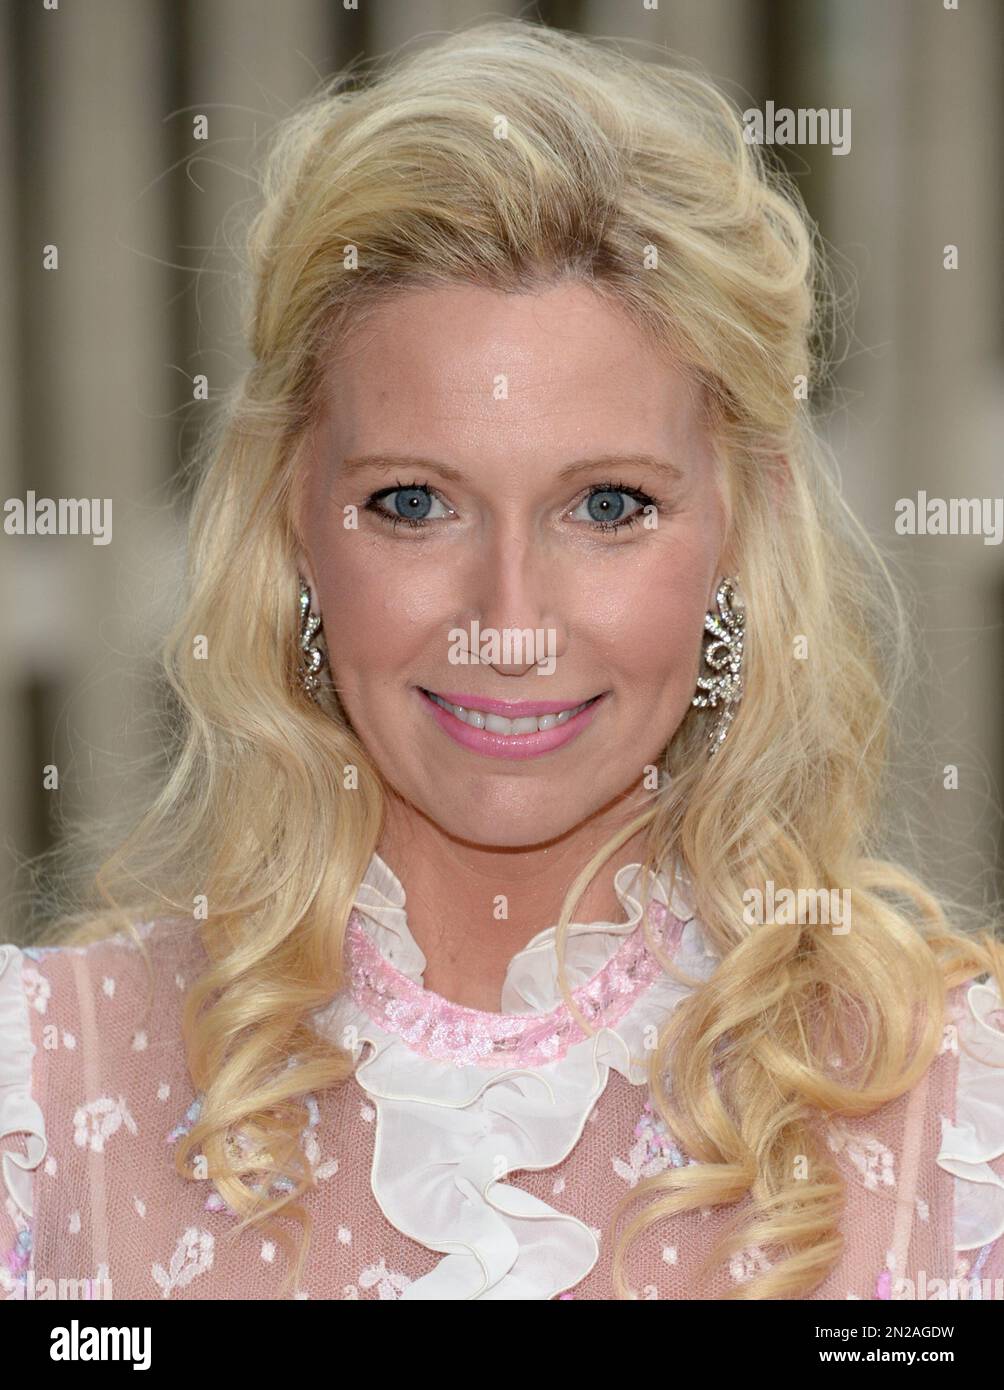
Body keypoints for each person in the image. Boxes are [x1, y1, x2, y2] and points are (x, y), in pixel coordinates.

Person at [2, 18, 1002, 1302]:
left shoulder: (959, 1126)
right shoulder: (45, 1102)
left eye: (608, 507)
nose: (507, 620)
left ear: (739, 528)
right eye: (415, 503)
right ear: (289, 519)